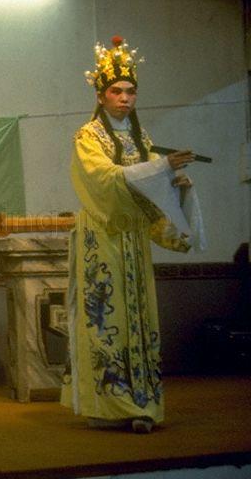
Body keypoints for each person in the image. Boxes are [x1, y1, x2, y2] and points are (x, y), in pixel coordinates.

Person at [61, 36, 197, 434]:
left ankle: (142, 402)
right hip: (102, 235)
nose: (125, 98)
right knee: (106, 316)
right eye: (116, 91)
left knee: (139, 316)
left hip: (134, 238)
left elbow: (149, 187)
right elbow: (102, 179)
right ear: (101, 96)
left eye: (131, 91)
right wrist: (159, 170)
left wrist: (176, 182)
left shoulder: (142, 141)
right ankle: (110, 403)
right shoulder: (89, 136)